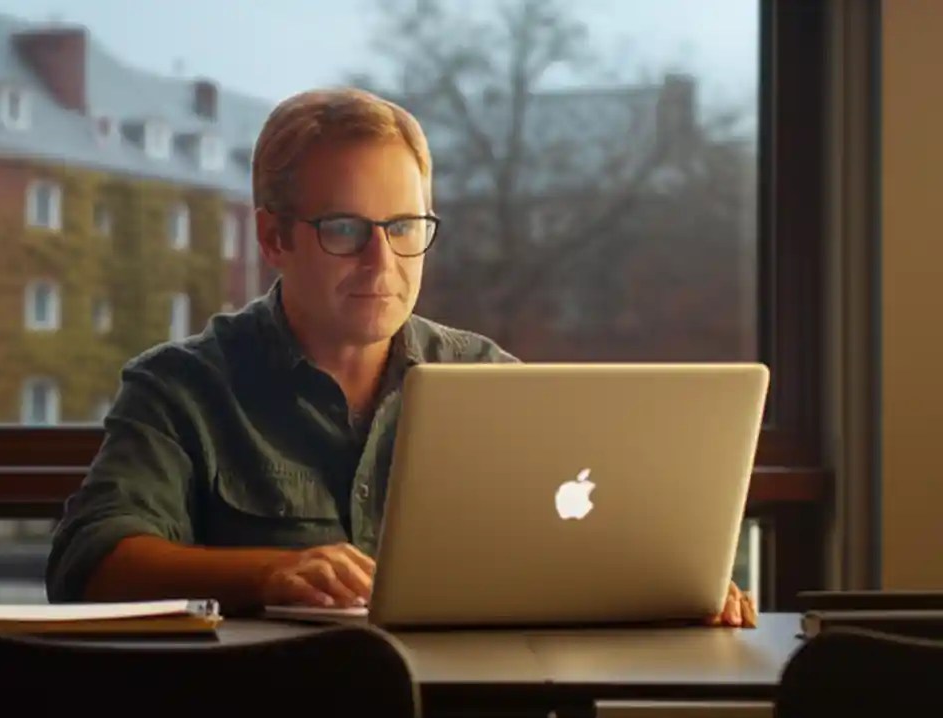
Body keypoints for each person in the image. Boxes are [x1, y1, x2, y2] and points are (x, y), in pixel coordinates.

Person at [45, 87, 756, 627]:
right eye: (347, 228)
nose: (383, 261)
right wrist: (273, 573)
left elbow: (589, 541)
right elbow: (91, 564)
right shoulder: (182, 388)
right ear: (273, 237)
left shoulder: (490, 387)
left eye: (406, 227)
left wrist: (670, 585)